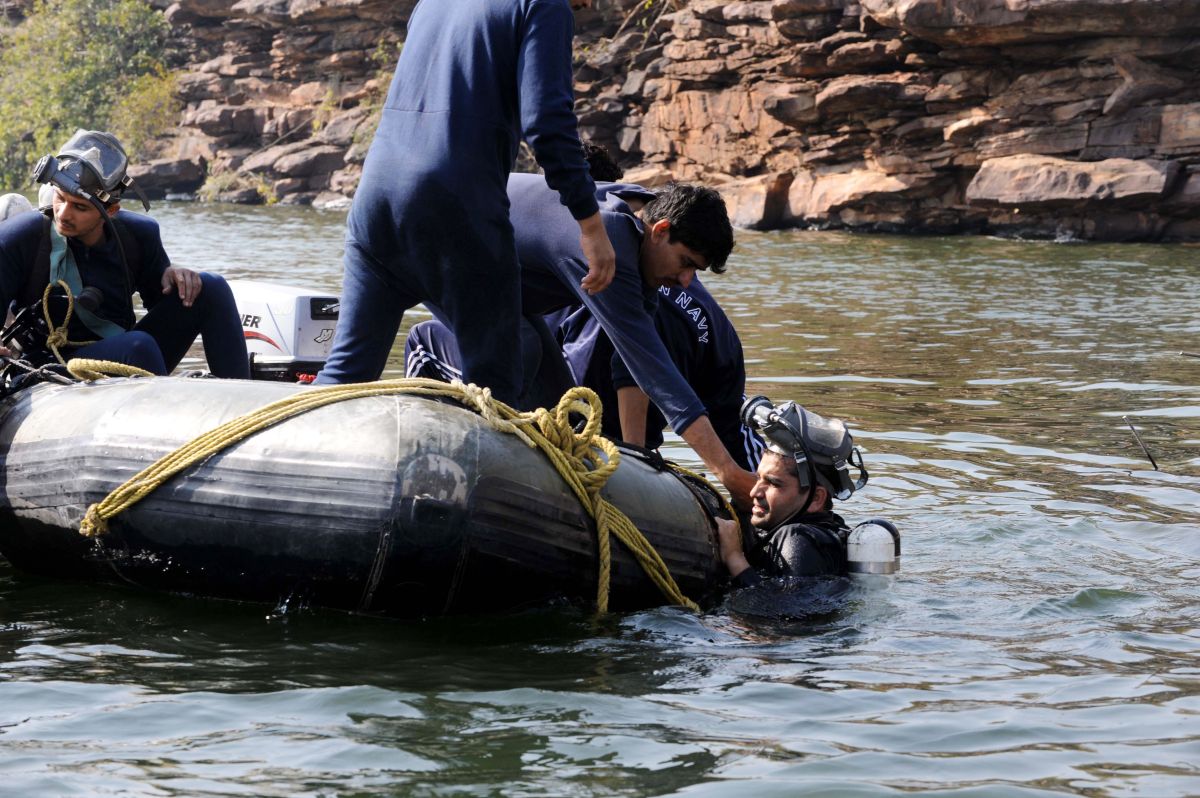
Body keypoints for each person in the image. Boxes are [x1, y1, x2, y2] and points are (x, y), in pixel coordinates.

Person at [314, 0, 616, 405]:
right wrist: (591, 224)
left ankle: (276, 440)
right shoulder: (543, 6)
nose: (589, 6)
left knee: (345, 374)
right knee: (494, 392)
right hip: (455, 207)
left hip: (377, 197)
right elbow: (547, 126)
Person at [407, 174, 758, 509]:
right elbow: (657, 373)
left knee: (566, 415)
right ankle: (425, 425)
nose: (686, 281)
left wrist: (636, 459)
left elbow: (631, 364)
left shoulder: (643, 230)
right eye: (686, 263)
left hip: (499, 281)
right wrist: (727, 473)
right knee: (521, 351)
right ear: (661, 231)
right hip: (437, 241)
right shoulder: (613, 238)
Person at [0, 129, 248, 377]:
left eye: (80, 207)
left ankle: (241, 394)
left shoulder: (139, 235)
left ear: (110, 211)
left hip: (127, 352)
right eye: (60, 198)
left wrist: (177, 279)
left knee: (211, 286)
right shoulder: (19, 237)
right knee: (138, 346)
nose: (63, 214)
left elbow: (163, 306)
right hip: (46, 367)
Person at [717, 397, 870, 586]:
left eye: (773, 483)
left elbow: (778, 605)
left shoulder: (796, 538)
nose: (754, 492)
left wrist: (734, 558)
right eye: (758, 478)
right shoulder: (828, 531)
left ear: (816, 498)